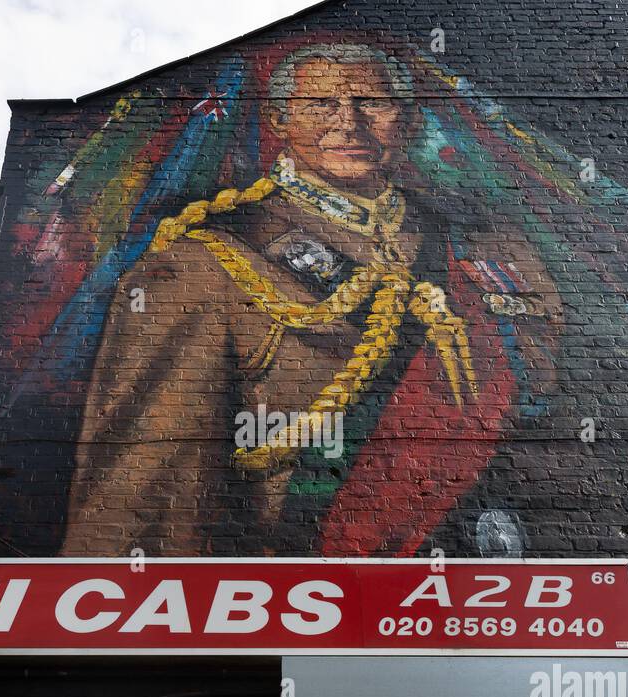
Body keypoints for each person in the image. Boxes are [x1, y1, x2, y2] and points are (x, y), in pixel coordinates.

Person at [59, 43, 561, 556]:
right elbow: (146, 492)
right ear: (279, 118)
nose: (350, 123)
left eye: (373, 103)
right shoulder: (202, 263)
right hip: (291, 589)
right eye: (322, 104)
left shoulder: (481, 249)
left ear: (406, 122)